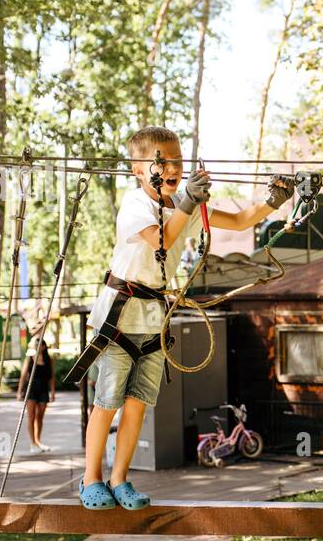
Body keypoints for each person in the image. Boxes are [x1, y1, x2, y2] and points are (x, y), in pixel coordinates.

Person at [72, 125, 294, 510]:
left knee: (138, 403)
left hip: (155, 316)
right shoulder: (134, 205)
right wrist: (189, 201)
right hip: (119, 317)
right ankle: (91, 478)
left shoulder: (185, 206)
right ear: (138, 169)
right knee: (107, 401)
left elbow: (241, 221)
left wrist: (272, 200)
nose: (172, 167)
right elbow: (163, 239)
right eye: (161, 161)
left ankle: (120, 479)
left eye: (177, 159)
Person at [16, 337, 56, 453]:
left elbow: (52, 377)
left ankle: (38, 441)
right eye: (35, 345)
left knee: (40, 417)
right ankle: (32, 443)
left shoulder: (49, 360)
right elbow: (23, 375)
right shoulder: (30, 358)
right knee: (31, 416)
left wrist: (53, 392)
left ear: (43, 347)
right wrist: (19, 392)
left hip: (43, 389)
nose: (37, 347)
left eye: (39, 345)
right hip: (31, 390)